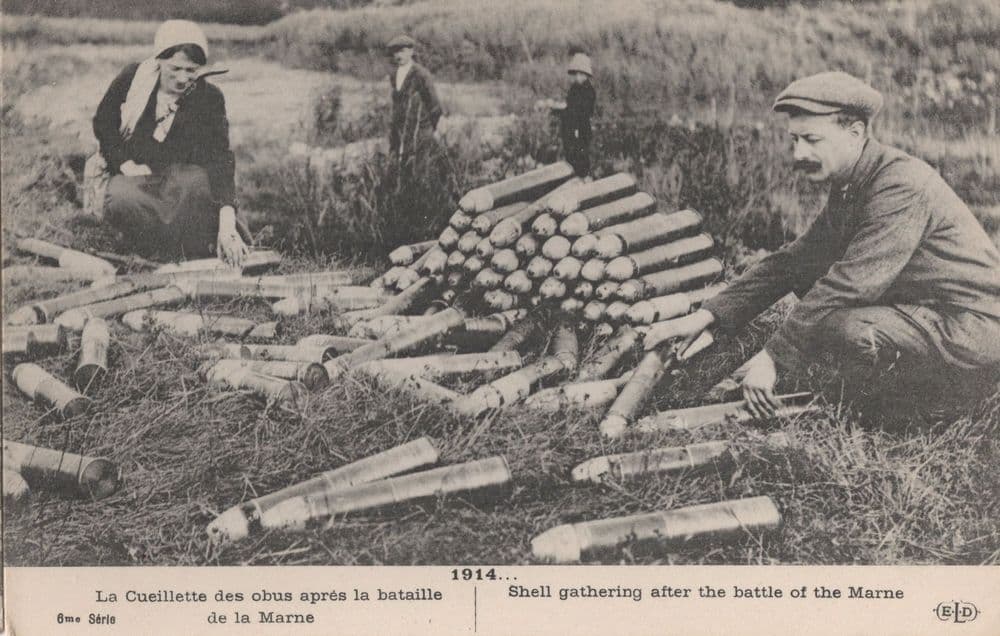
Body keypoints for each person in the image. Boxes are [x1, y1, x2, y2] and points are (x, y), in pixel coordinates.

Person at [674, 71, 1000, 419]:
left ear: (855, 133)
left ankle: (935, 407)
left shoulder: (900, 186)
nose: (799, 153)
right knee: (808, 277)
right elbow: (794, 260)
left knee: (845, 329)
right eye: (794, 140)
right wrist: (710, 313)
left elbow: (853, 283)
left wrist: (773, 357)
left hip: (971, 327)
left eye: (812, 139)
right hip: (929, 311)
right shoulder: (855, 181)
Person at [92, 20, 250, 266]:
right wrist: (125, 164)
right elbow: (103, 122)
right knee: (120, 197)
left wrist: (227, 222)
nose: (182, 78)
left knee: (201, 187)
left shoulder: (209, 98)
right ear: (159, 60)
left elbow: (220, 157)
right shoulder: (133, 80)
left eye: (191, 70)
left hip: (181, 180)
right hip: (137, 177)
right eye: (174, 68)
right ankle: (149, 247)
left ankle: (188, 247)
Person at [386, 34, 443, 161]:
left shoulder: (421, 75)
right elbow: (396, 104)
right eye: (395, 52)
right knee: (400, 170)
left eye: (402, 51)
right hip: (400, 133)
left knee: (418, 172)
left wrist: (428, 129)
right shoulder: (394, 75)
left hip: (419, 133)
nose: (398, 55)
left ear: (411, 52)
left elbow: (435, 107)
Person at [559, 52, 596, 177]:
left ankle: (582, 178)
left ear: (586, 75)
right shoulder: (574, 89)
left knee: (581, 155)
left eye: (581, 74)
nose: (578, 77)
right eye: (576, 74)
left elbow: (585, 112)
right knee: (570, 154)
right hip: (569, 127)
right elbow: (570, 107)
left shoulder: (588, 91)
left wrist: (576, 128)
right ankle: (572, 177)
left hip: (581, 128)